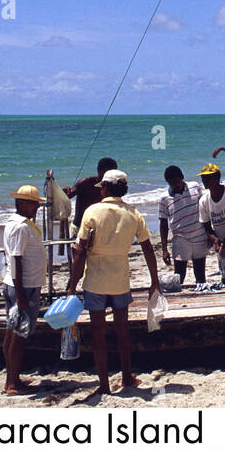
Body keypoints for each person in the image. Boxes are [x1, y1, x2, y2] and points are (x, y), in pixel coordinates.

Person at [65, 169, 160, 394]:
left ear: (105, 188)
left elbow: (80, 252)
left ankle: (104, 386)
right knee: (122, 331)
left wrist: (71, 286)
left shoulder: (92, 212)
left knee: (98, 334)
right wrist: (154, 281)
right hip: (120, 281)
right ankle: (127, 377)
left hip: (95, 282)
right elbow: (147, 247)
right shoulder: (133, 213)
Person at [2, 184, 47, 395]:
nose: (36, 208)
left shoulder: (20, 223)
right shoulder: (20, 227)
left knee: (13, 331)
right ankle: (12, 383)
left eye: (37, 204)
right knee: (19, 335)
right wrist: (20, 294)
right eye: (33, 204)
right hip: (23, 286)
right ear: (21, 203)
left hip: (21, 285)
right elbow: (17, 259)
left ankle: (13, 377)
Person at [158, 165, 207, 285]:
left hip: (199, 236)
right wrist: (164, 249)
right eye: (172, 184)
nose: (176, 186)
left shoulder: (195, 187)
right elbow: (163, 224)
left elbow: (205, 209)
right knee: (179, 275)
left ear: (182, 178)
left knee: (200, 275)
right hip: (180, 239)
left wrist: (210, 233)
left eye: (178, 182)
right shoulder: (164, 199)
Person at [64, 157, 119, 227]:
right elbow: (67, 196)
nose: (114, 175)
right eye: (112, 172)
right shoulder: (85, 183)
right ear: (103, 171)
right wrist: (64, 192)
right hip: (79, 227)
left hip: (99, 228)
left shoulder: (111, 186)